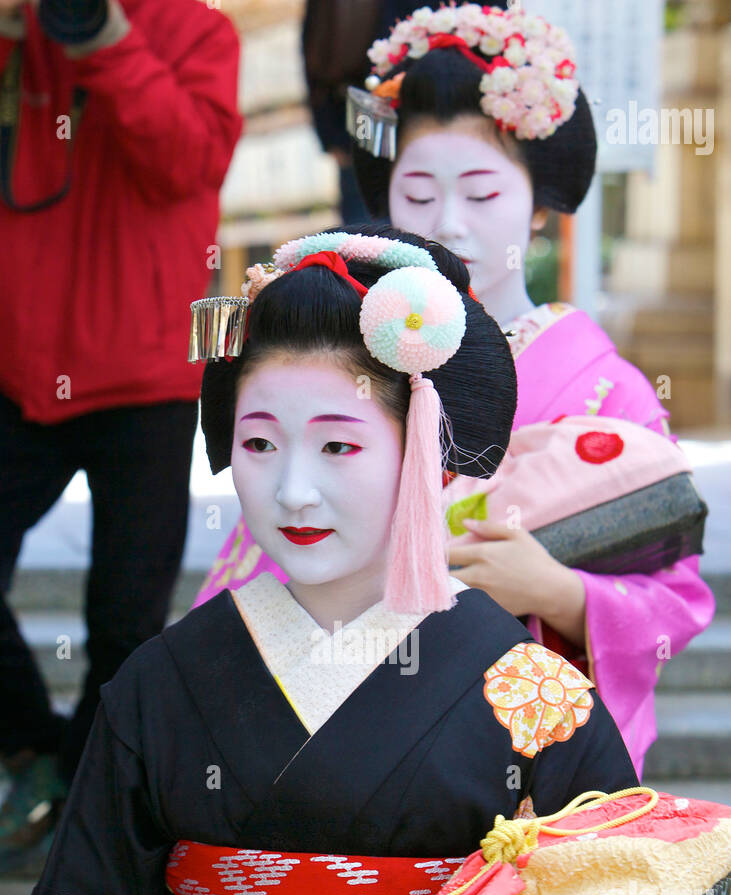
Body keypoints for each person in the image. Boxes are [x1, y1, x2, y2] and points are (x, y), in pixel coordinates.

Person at [0, 231, 722, 895]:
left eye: (337, 446)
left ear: (425, 449)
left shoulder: (527, 691)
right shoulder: (161, 686)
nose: (291, 487)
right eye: (255, 443)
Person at [198, 3, 713, 790]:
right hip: (333, 722)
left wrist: (559, 593)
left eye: (480, 193)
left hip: (501, 744)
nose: (446, 224)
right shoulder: (342, 353)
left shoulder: (605, 387)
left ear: (538, 203)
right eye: (416, 192)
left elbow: (672, 602)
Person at [0, 0, 242, 873]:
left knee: (125, 618)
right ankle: (37, 748)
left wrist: (105, 42)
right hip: (16, 362)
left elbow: (186, 162)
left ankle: (90, 802)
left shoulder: (196, 31)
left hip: (144, 372)